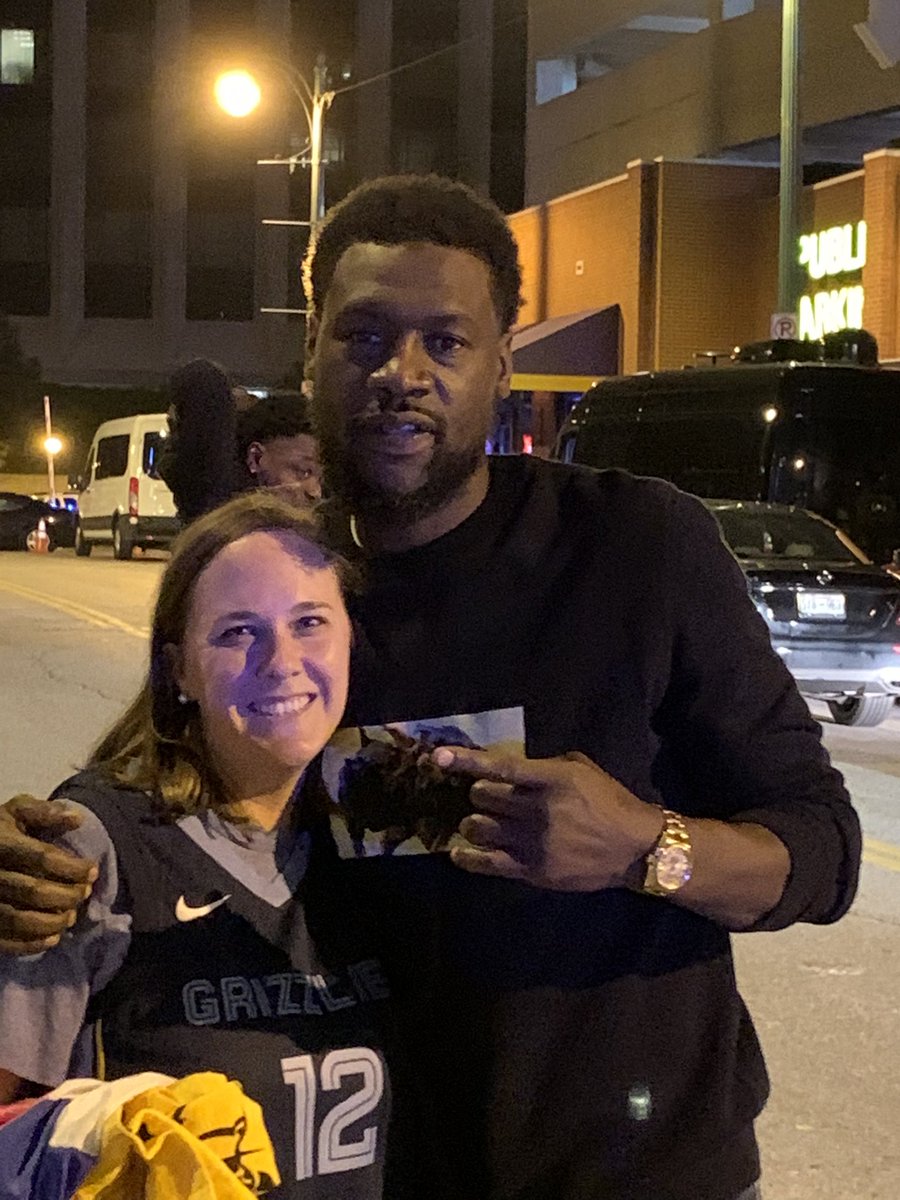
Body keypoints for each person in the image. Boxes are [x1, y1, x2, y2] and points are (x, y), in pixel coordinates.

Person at [0, 175, 861, 1200]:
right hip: (387, 1172)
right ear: (312, 349)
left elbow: (821, 850)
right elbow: (163, 784)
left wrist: (643, 846)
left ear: (502, 364)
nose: (400, 375)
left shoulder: (638, 546)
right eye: (363, 337)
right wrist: (32, 860)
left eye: (445, 344)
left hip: (650, 1172)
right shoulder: (298, 594)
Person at [0, 491, 410, 1199]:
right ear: (178, 670)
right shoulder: (97, 843)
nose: (282, 661)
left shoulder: (384, 829)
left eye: (310, 622)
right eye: (236, 633)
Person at [158, 361, 322, 523]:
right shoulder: (226, 519)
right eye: (304, 471)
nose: (316, 492)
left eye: (322, 479)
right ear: (256, 458)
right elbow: (203, 379)